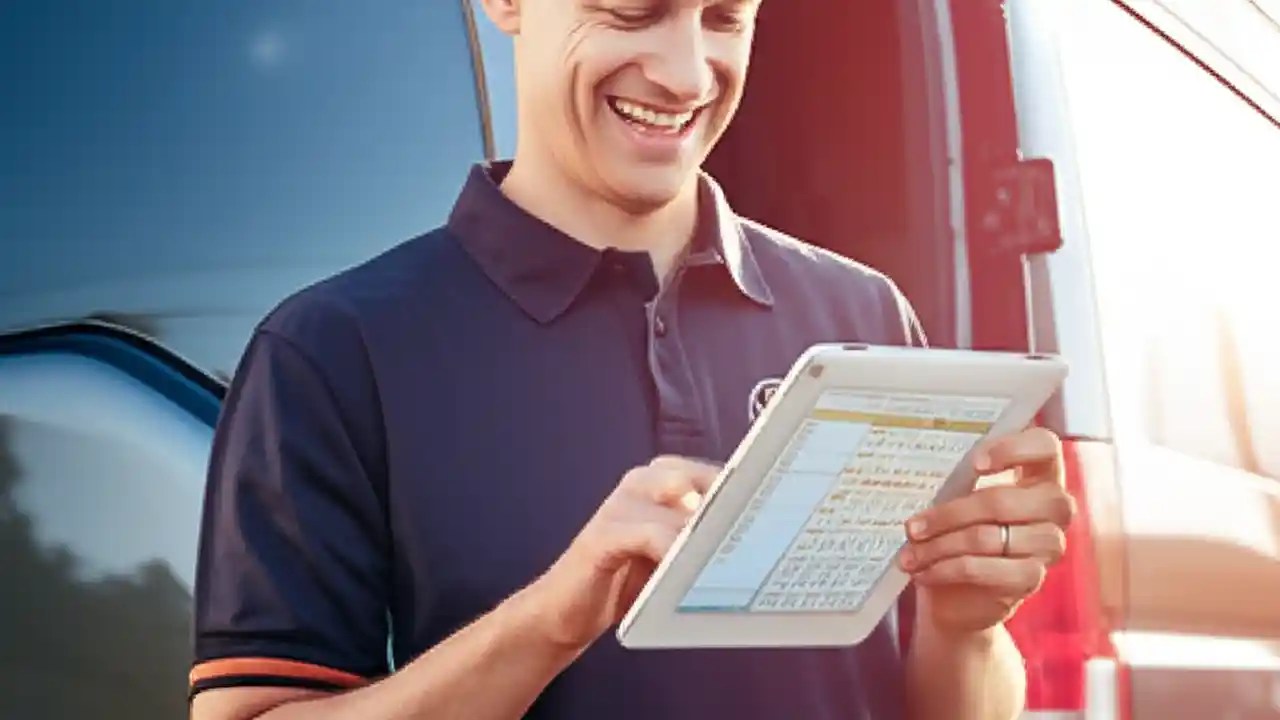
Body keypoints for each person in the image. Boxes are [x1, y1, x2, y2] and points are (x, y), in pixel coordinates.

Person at [189, 1, 1075, 718]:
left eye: (724, 19)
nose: (687, 75)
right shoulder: (332, 349)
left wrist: (963, 631)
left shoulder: (862, 314)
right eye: (632, 11)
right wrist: (551, 620)